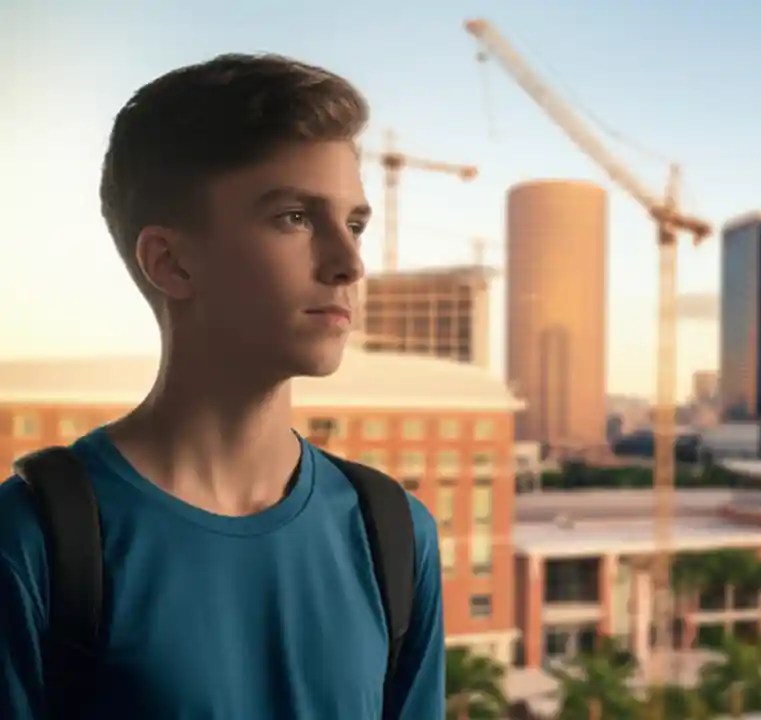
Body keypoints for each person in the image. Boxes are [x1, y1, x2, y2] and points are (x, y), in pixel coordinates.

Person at [0, 54, 445, 719]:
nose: (349, 264)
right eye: (295, 217)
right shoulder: (30, 544)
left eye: (354, 223)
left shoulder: (396, 535)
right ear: (170, 262)